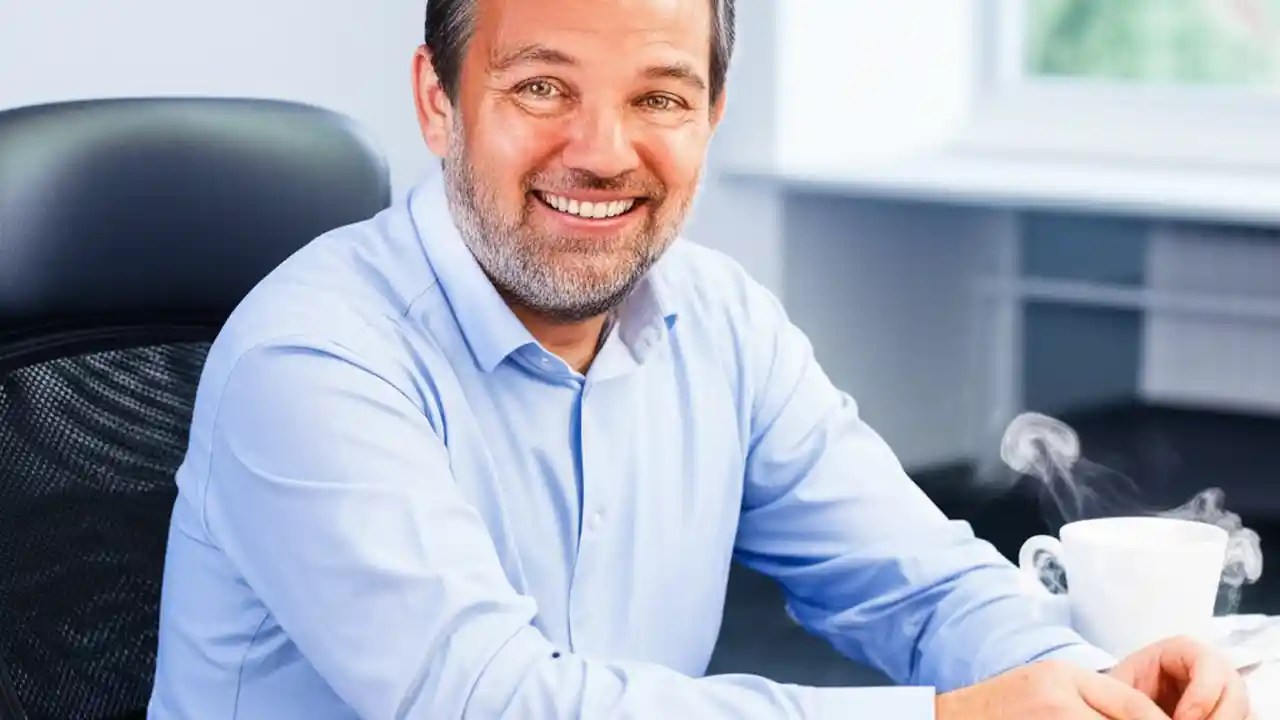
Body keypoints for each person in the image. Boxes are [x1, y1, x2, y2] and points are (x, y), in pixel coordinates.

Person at [148, 0, 1251, 718]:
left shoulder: (717, 320)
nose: (601, 150)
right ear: (439, 102)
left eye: (658, 98)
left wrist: (1092, 679)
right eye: (541, 87)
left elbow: (914, 584)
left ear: (712, 114)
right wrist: (949, 716)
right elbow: (488, 703)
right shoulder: (313, 356)